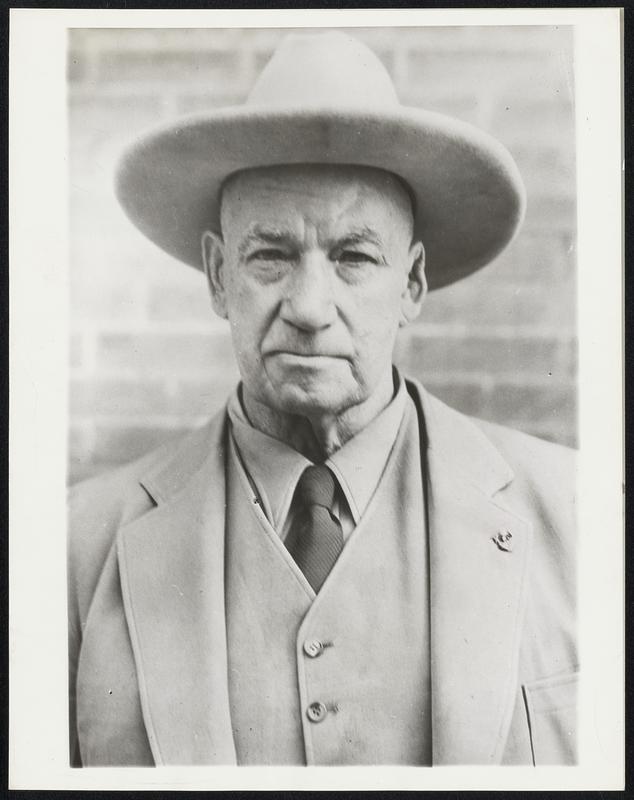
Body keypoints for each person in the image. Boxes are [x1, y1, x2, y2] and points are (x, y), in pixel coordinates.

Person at [68, 31, 577, 767]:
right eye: (271, 255)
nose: (309, 307)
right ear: (218, 276)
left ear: (412, 284)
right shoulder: (76, 549)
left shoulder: (582, 517)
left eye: (354, 257)